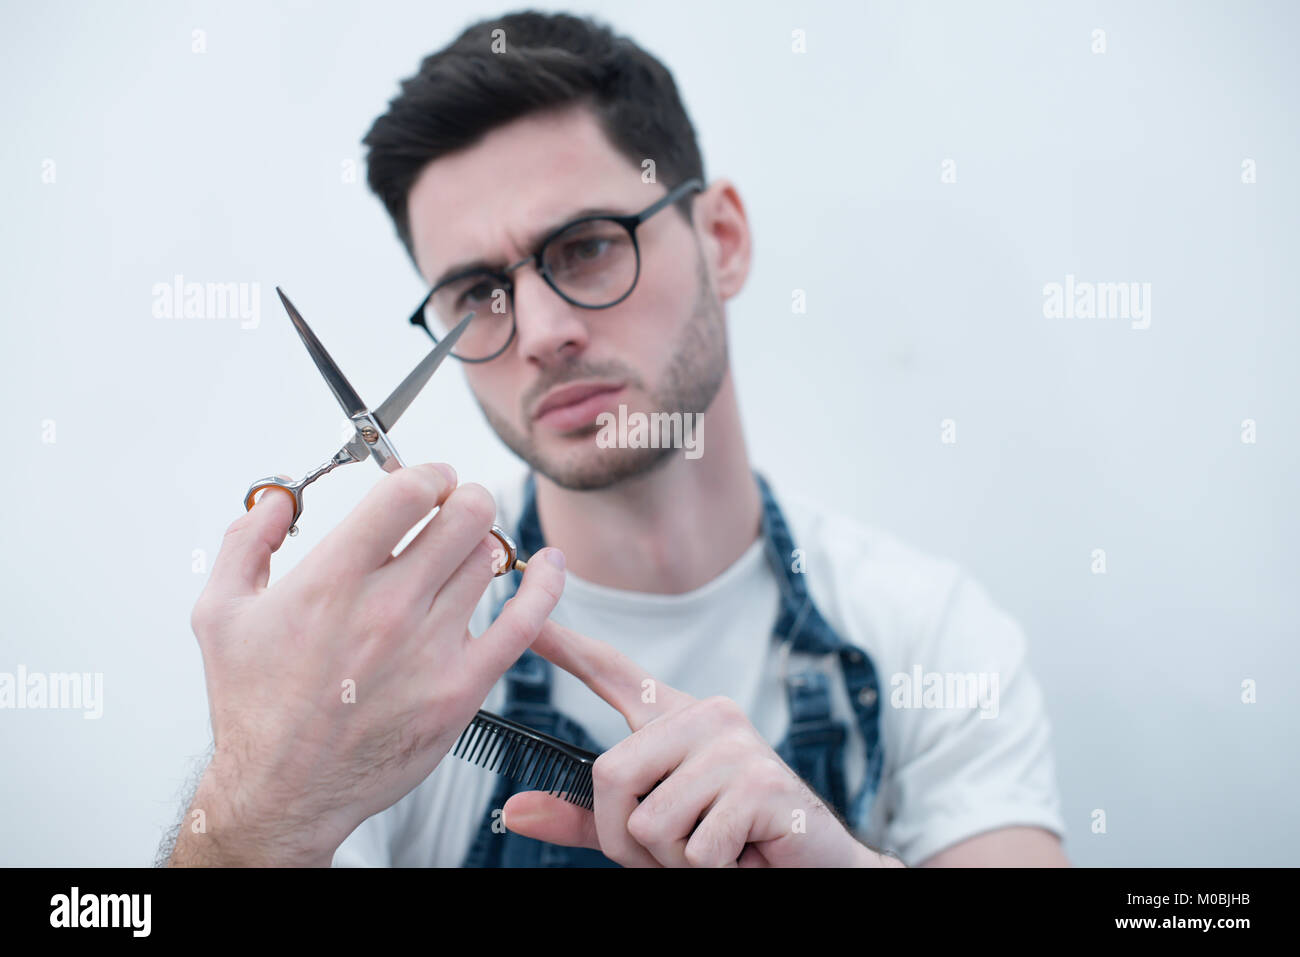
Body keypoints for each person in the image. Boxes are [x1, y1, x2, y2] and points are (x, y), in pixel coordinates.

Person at [165, 9, 1068, 868]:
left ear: (722, 238)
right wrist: (256, 811)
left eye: (588, 245)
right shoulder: (377, 677)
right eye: (479, 293)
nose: (541, 330)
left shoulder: (928, 635)